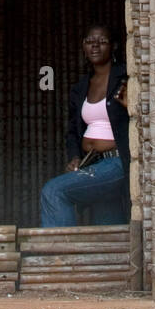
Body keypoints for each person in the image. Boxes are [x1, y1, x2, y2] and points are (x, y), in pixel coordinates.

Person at [40, 22, 130, 228]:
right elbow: (73, 131)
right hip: (92, 163)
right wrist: (74, 157)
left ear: (113, 46)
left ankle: (59, 257)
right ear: (83, 46)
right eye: (90, 41)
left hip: (116, 162)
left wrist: (131, 106)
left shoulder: (125, 78)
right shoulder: (81, 87)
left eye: (102, 41)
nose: (95, 46)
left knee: (54, 191)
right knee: (108, 231)